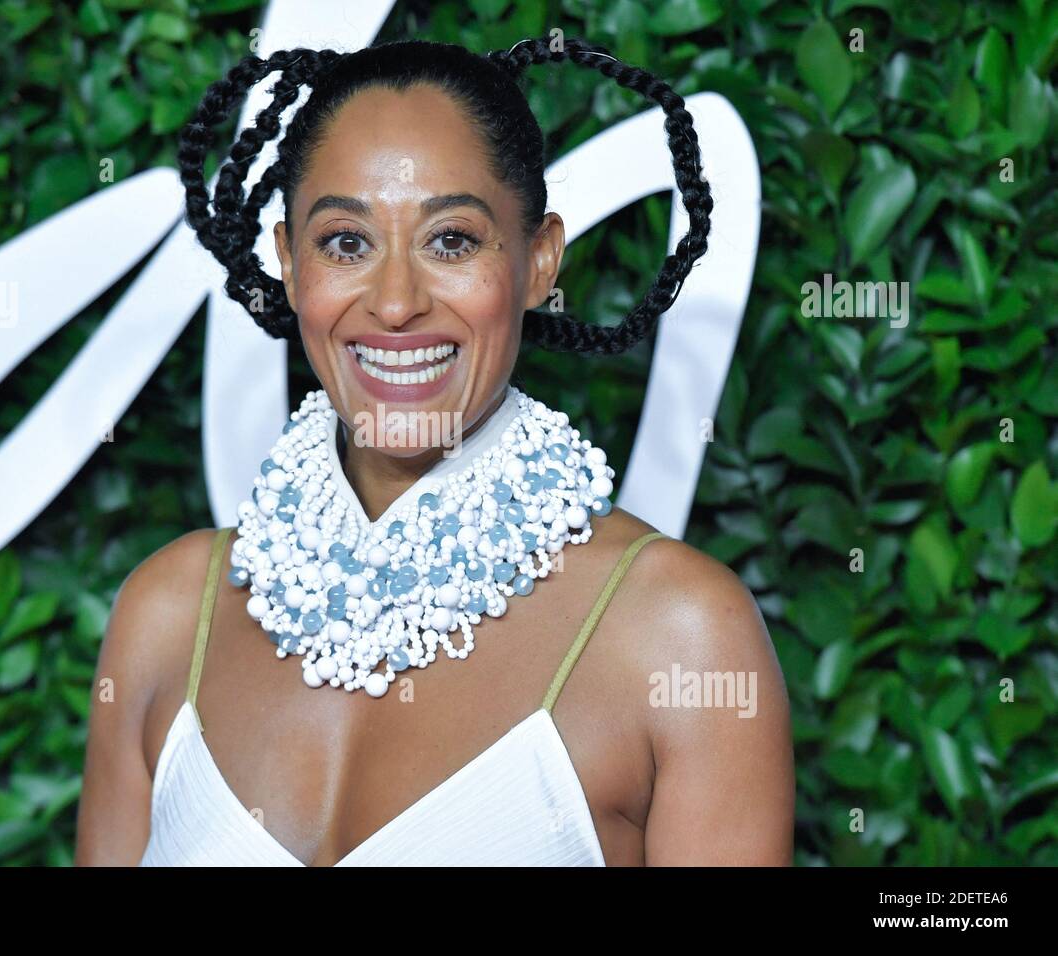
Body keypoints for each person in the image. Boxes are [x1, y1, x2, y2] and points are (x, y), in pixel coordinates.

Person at [76, 36, 794, 866]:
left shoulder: (680, 636)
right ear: (288, 264)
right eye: (346, 242)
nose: (394, 303)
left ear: (538, 260)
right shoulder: (166, 619)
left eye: (451, 240)